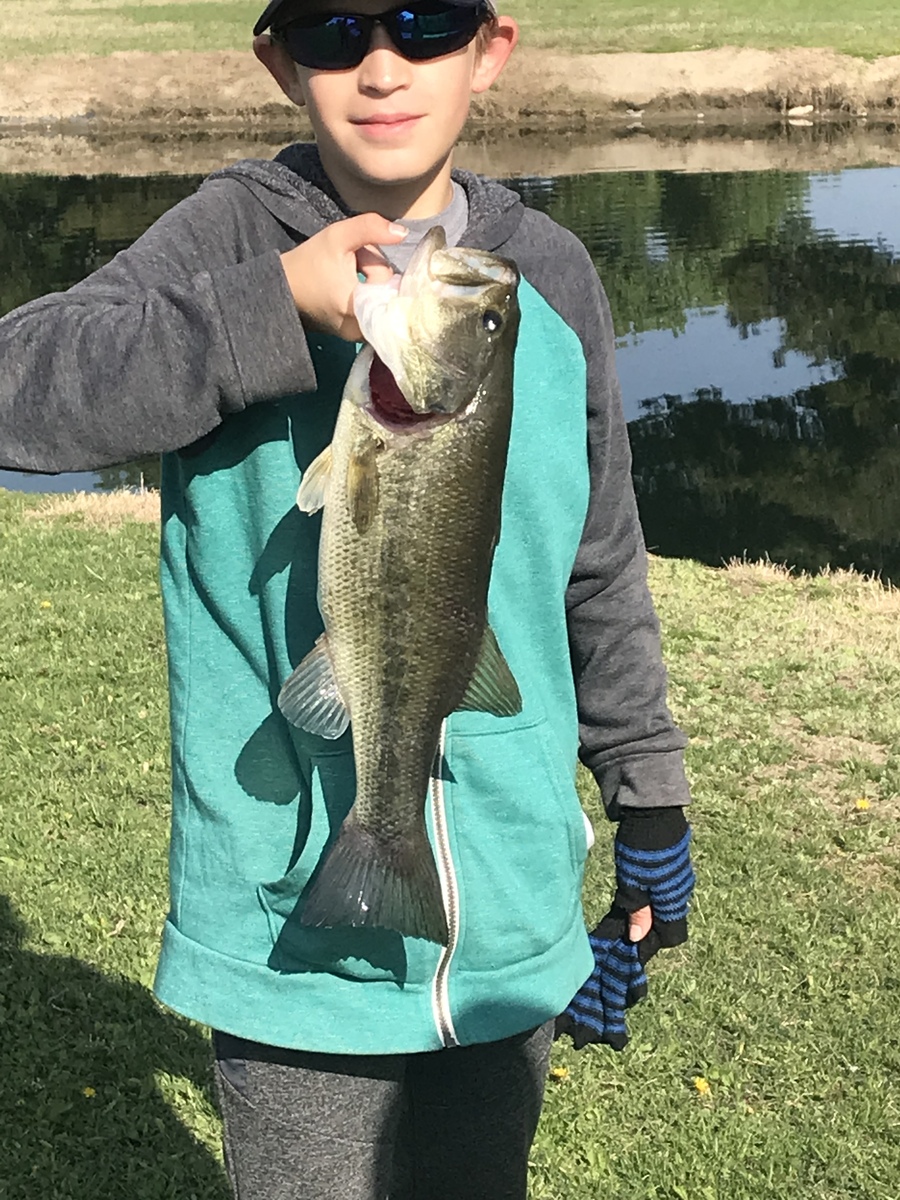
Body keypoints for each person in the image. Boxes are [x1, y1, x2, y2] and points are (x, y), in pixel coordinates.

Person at [0, 1, 695, 1196]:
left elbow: (599, 559)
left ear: (491, 50)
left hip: (510, 907)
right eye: (335, 28)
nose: (382, 64)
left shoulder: (554, 275)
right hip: (290, 917)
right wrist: (267, 308)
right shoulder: (227, 237)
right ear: (278, 60)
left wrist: (647, 796)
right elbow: (21, 388)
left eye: (426, 24)